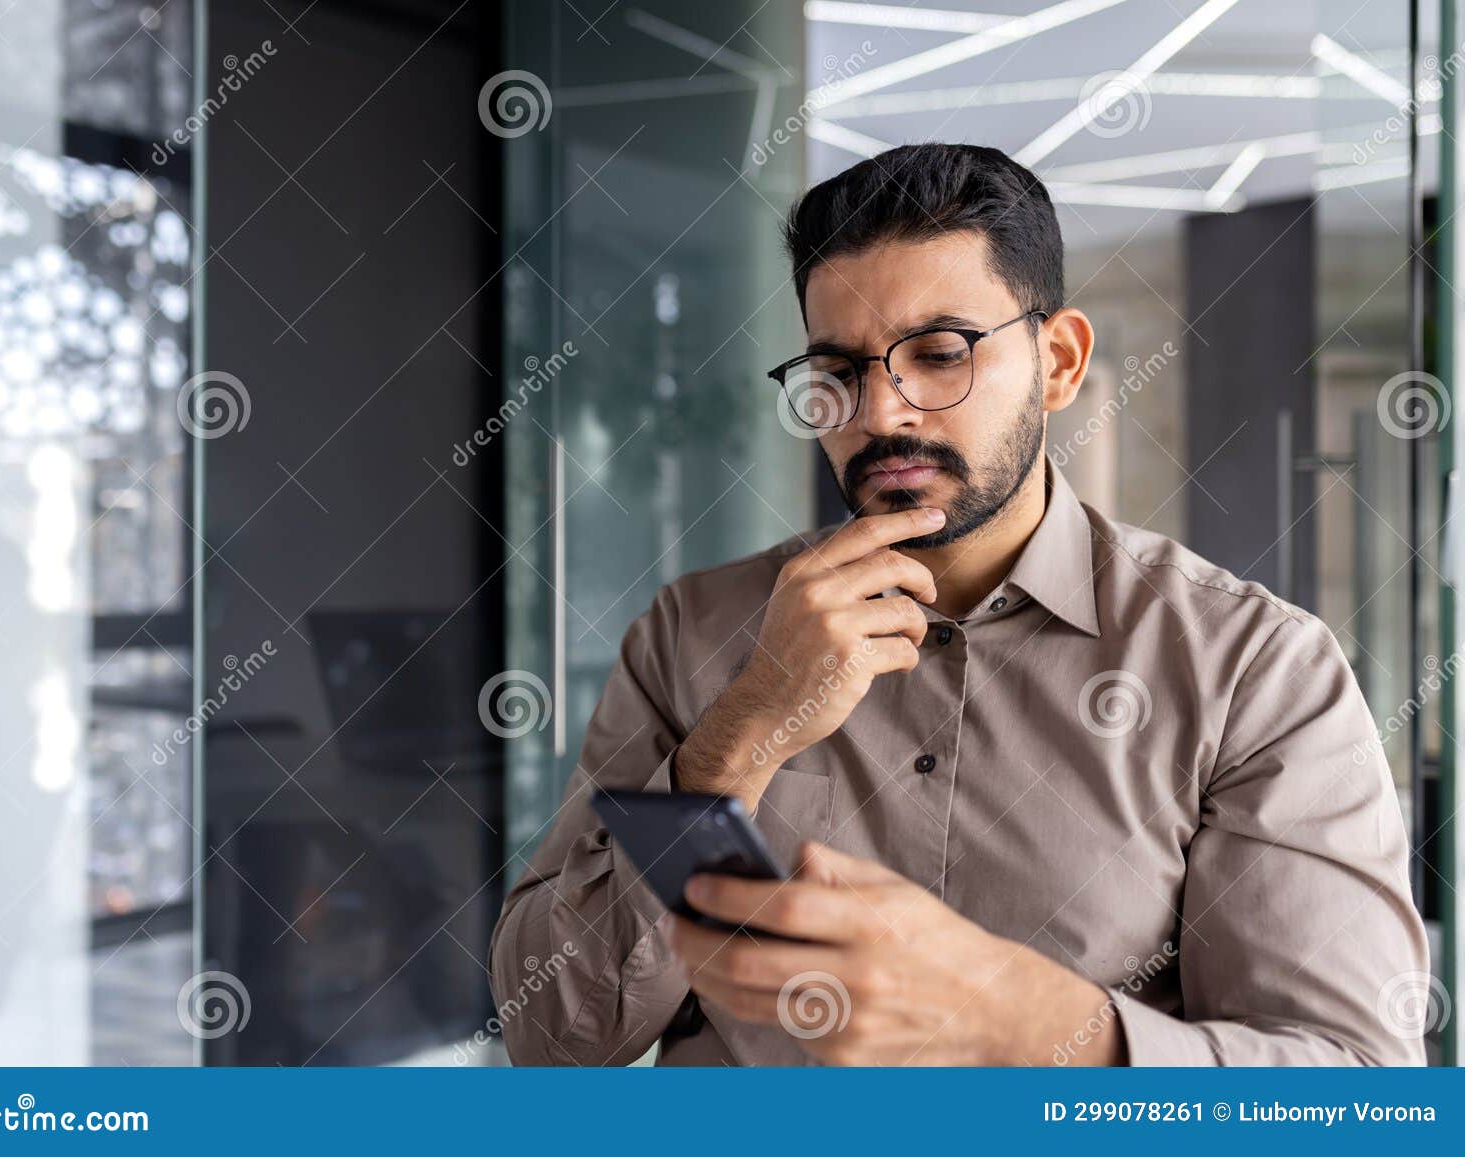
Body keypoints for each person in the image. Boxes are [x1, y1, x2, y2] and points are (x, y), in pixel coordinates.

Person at [489, 142, 1429, 1066]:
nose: (884, 411)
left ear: (1059, 362)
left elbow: (1347, 1093)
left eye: (939, 354)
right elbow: (550, 1040)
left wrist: (1010, 1014)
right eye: (840, 372)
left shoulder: (1252, 671)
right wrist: (744, 733)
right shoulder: (688, 634)